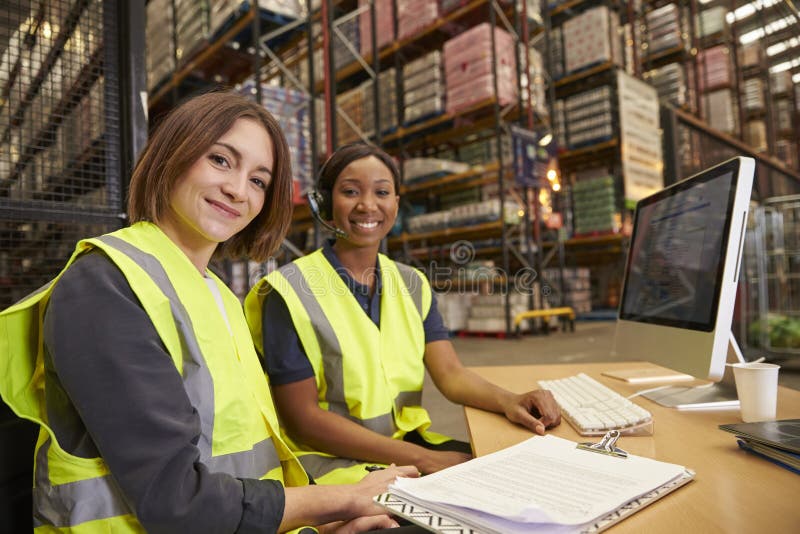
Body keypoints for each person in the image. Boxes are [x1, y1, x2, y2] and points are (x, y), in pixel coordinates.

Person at [0, 93, 418, 533]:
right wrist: (342, 497)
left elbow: (240, 464)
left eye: (259, 181)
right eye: (220, 160)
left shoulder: (215, 293)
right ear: (173, 154)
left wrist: (322, 524)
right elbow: (177, 504)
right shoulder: (105, 287)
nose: (238, 189)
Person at [244, 143, 561, 485]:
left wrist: (509, 400)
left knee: (517, 478)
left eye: (382, 192)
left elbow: (451, 374)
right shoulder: (287, 292)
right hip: (330, 468)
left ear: (396, 203)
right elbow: (302, 420)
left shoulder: (412, 283)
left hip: (400, 449)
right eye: (350, 191)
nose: (368, 205)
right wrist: (425, 460)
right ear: (326, 204)